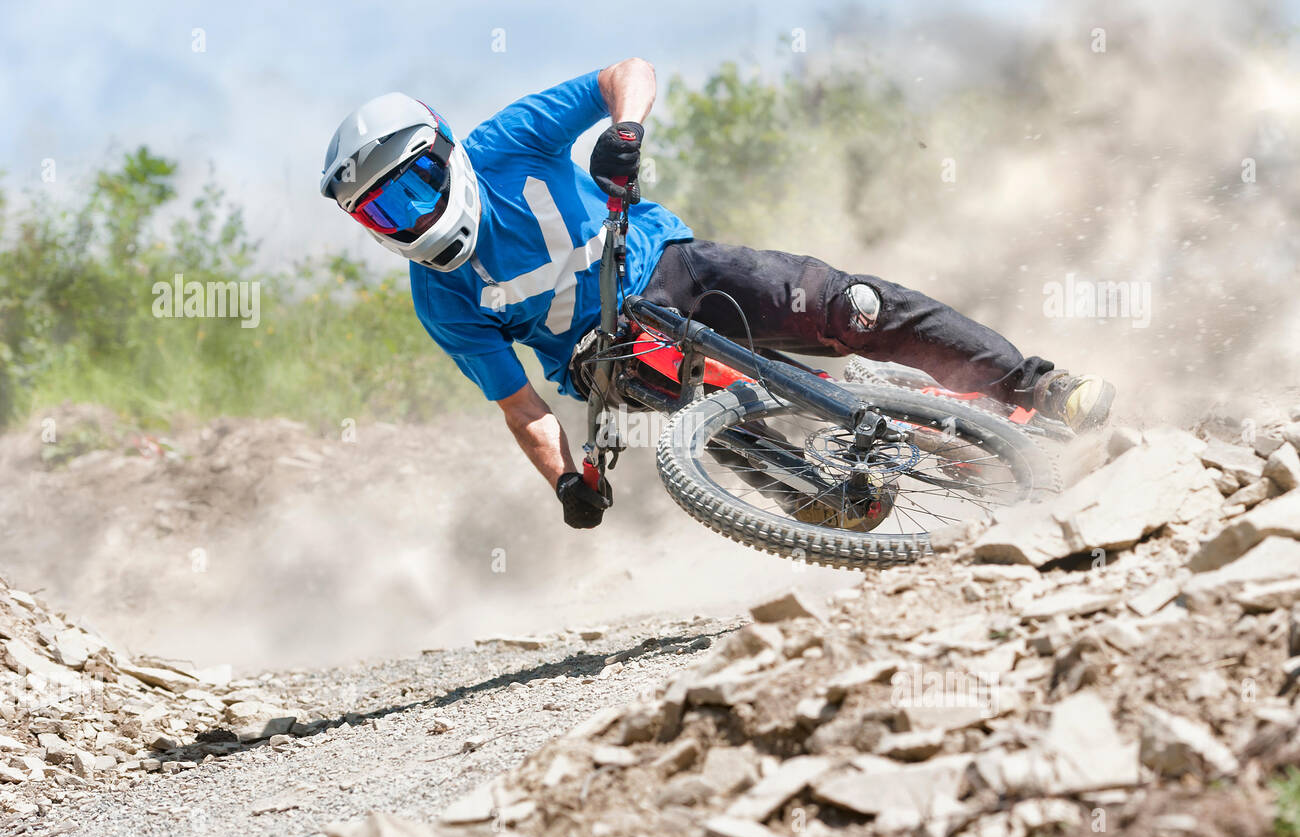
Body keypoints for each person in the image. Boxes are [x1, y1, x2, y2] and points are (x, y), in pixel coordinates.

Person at [320, 58, 1114, 530]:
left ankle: (1038, 388)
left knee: (853, 309)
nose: (409, 217)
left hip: (673, 271)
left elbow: (626, 74)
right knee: (801, 482)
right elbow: (522, 408)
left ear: (444, 153)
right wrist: (565, 481)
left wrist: (625, 130)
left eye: (412, 188)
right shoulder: (440, 299)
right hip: (609, 361)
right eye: (380, 212)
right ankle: (835, 500)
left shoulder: (506, 143)